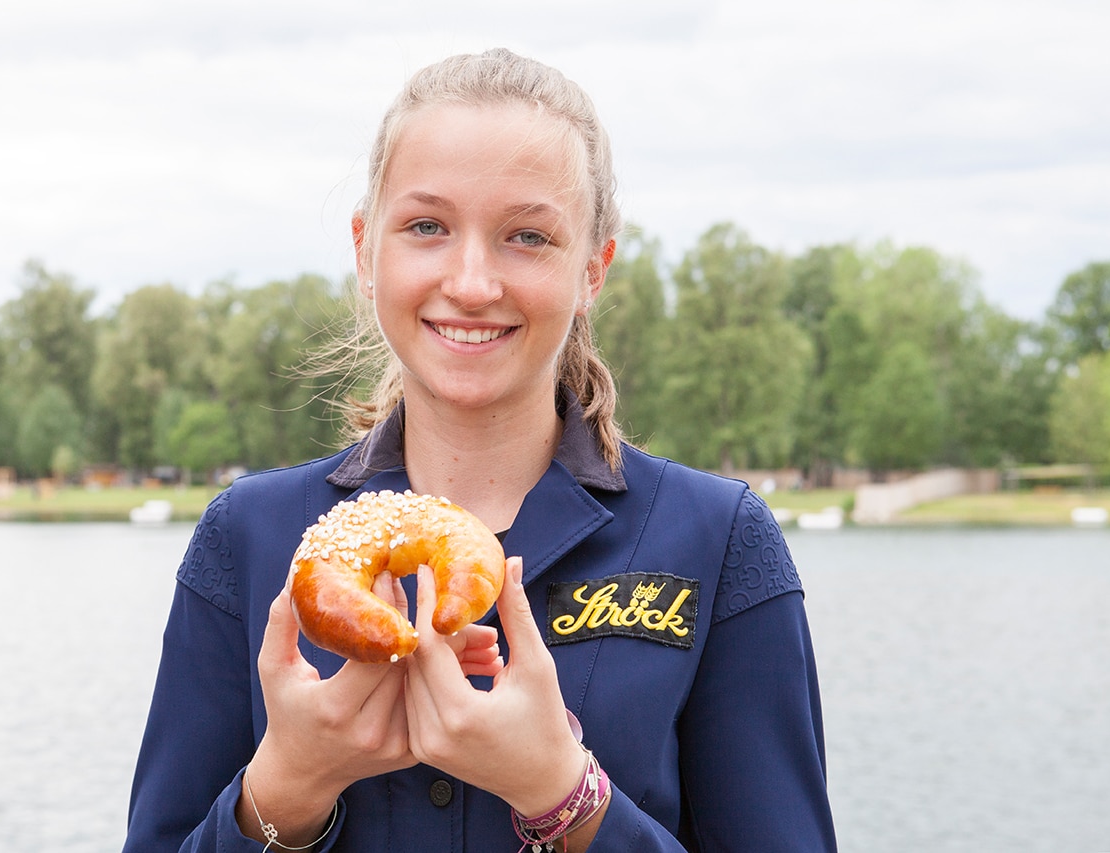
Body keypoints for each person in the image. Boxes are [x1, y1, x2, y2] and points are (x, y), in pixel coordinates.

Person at [124, 47, 836, 852]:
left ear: (592, 269)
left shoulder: (719, 541)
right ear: (367, 250)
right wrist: (289, 782)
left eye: (526, 236)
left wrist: (563, 793)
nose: (470, 281)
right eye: (427, 226)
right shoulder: (247, 538)